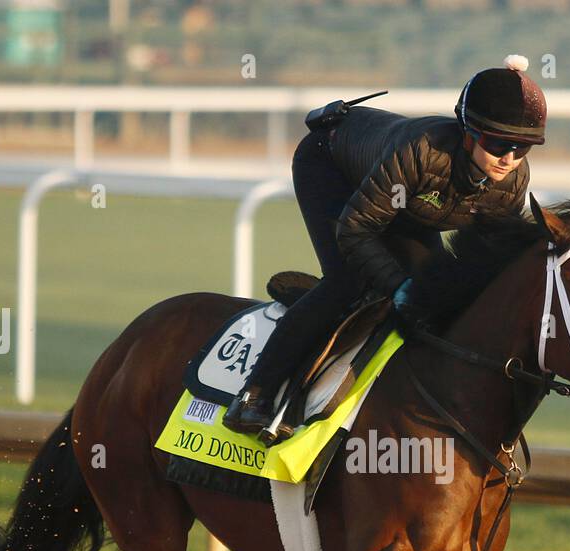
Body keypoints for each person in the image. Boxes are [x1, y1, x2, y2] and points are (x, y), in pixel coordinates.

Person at [224, 54, 547, 444]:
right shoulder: (419, 152)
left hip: (405, 200)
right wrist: (398, 286)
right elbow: (356, 230)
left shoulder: (511, 183)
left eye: (523, 147)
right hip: (331, 166)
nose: (509, 158)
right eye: (498, 143)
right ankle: (255, 394)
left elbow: (486, 267)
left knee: (436, 299)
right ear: (468, 133)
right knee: (350, 281)